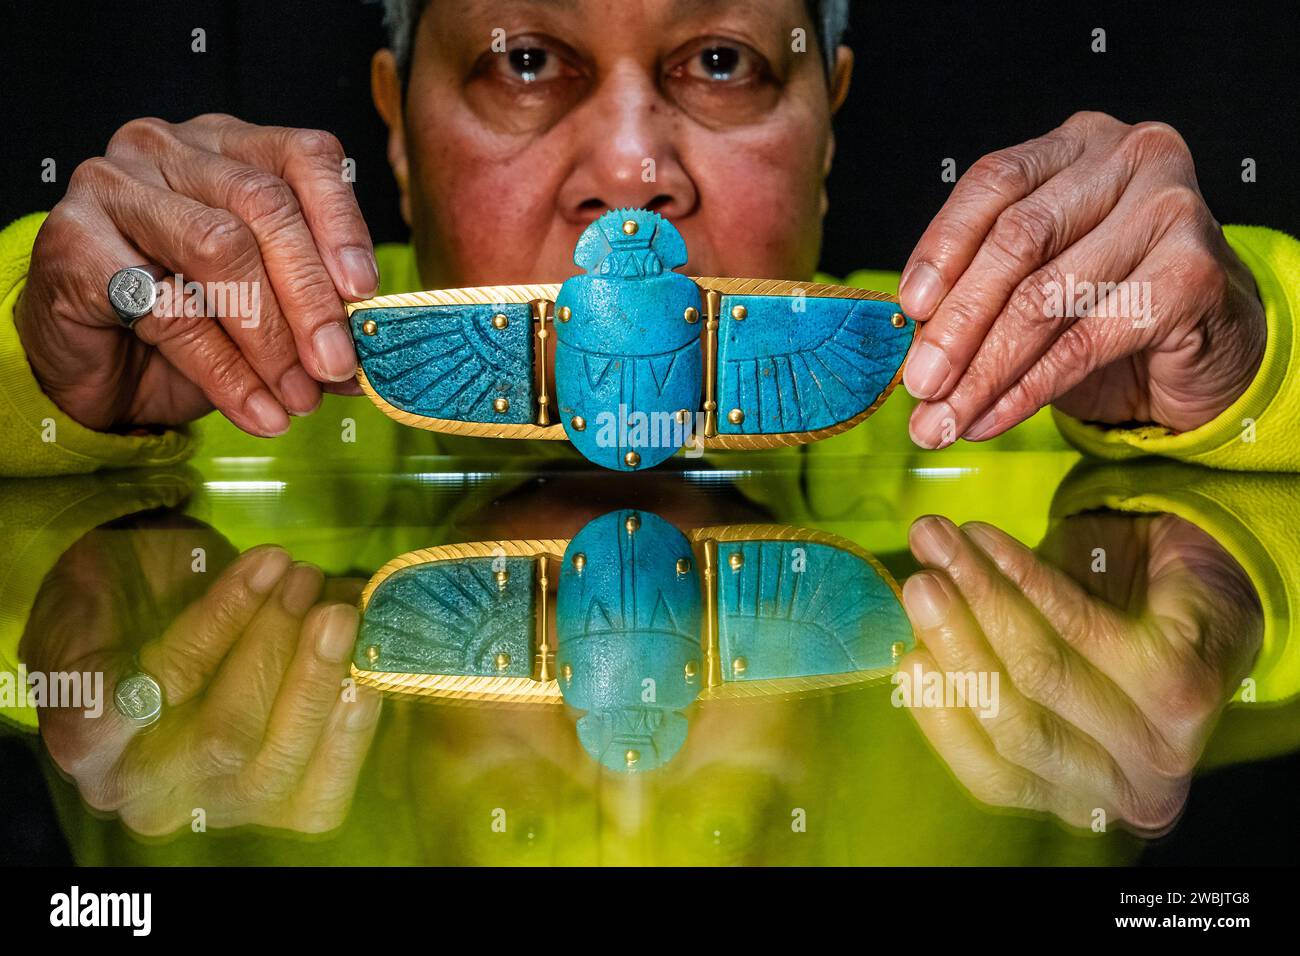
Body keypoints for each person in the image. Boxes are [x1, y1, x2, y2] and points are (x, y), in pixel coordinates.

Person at [1, 0, 1296, 478]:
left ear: (830, 119)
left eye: (721, 61)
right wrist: (46, 384)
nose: (632, 173)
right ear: (393, 127)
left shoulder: (1025, 389)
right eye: (525, 60)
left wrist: (1244, 386)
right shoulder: (188, 360)